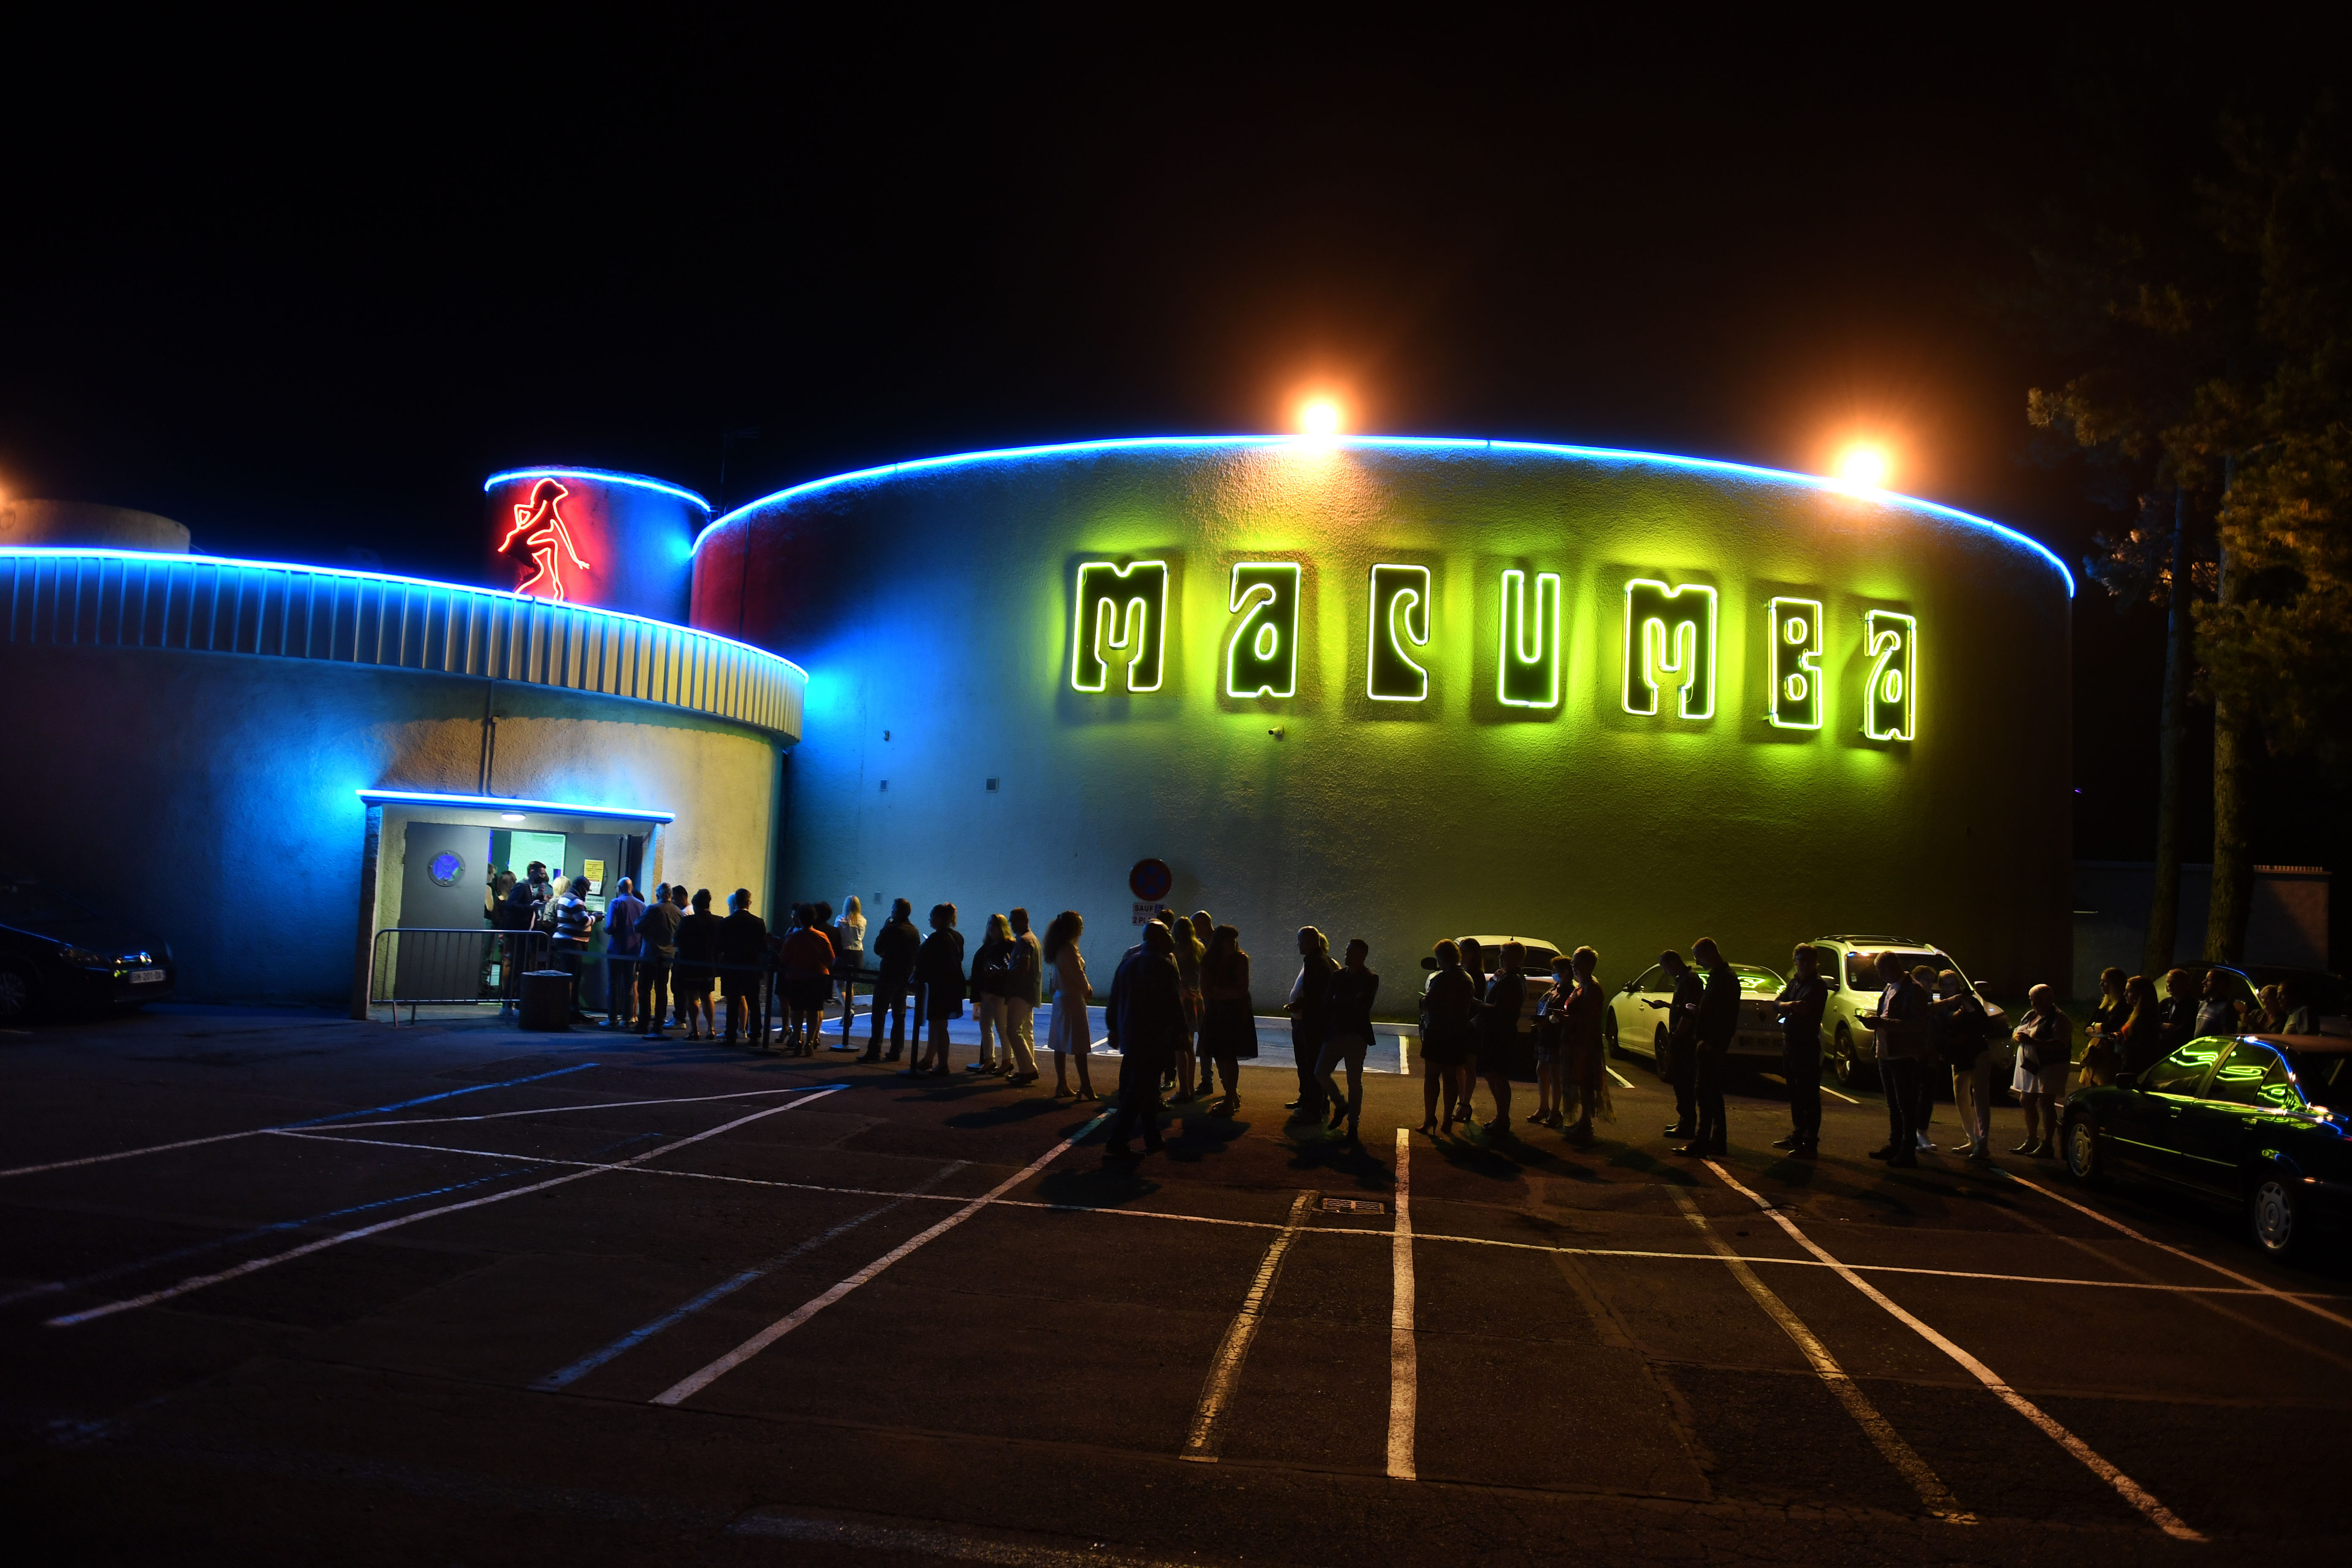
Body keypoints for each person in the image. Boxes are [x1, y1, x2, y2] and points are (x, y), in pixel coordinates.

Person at [1103, 920, 1187, 1158]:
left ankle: (1152, 1138)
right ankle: (1117, 1142)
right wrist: (1182, 1033)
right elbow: (1173, 1004)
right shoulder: (1164, 965)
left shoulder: (1128, 963)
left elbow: (1114, 998)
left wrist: (1113, 1029)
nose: (1172, 940)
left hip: (1132, 1035)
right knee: (1140, 1090)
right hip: (1154, 1037)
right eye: (1168, 936)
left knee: (1147, 1088)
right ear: (1159, 939)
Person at [1861, 951, 1928, 1168]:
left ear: (1892, 968)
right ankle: (1896, 1144)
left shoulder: (1913, 990)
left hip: (1903, 1055)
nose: (1880, 975)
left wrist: (1883, 1022)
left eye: (1882, 971)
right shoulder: (1891, 987)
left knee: (1905, 1104)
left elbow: (1916, 1025)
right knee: (1894, 1103)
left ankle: (1907, 1150)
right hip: (1887, 1052)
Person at [1680, 937, 1737, 1157]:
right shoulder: (1722, 977)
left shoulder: (1724, 979)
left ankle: (1703, 1140)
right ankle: (1716, 1140)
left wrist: (1710, 1041)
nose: (1698, 962)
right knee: (1712, 1093)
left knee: (1705, 1092)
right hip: (1712, 1042)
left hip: (1712, 1043)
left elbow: (1724, 1015)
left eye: (1699, 958)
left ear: (1708, 954)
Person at [1318, 938, 1379, 1143]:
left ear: (1361, 956)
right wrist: (1347, 1000)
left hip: (1355, 1035)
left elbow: (1361, 1007)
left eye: (1351, 952)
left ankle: (1354, 1123)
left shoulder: (1370, 978)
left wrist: (1340, 1001)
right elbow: (1330, 1002)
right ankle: (1342, 1105)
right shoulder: (1339, 976)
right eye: (1347, 951)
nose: (1347, 955)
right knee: (1320, 1072)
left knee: (1354, 1081)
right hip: (1337, 1032)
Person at [1933, 969, 1995, 1161]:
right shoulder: (1941, 1003)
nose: (1951, 988)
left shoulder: (1970, 1000)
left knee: (1980, 1097)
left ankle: (1982, 1143)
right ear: (1941, 986)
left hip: (1978, 1052)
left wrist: (1965, 1005)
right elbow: (1945, 1021)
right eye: (1946, 984)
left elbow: (1983, 1022)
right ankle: (1972, 1139)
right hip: (1959, 1056)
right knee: (1961, 1097)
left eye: (1953, 983)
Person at [1773, 944, 1828, 1154]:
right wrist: (1789, 1006)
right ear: (1795, 961)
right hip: (1791, 1042)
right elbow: (1777, 1003)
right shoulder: (1795, 982)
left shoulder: (1817, 986)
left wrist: (1786, 1007)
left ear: (1815, 963)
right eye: (1801, 960)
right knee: (1795, 1091)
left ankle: (1810, 1141)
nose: (1804, 964)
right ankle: (1799, 1134)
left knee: (1808, 1093)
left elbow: (1803, 1009)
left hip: (1806, 1044)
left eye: (1809, 961)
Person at [1199, 923, 1258, 1116]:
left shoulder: (1240, 959)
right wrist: (1224, 994)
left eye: (1234, 940)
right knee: (1219, 1054)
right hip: (1219, 1012)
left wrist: (1218, 993)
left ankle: (1230, 1098)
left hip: (1234, 1014)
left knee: (1229, 1056)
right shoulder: (1209, 960)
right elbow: (1206, 990)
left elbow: (1242, 990)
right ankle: (1230, 1094)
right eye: (1228, 939)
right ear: (1220, 941)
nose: (1233, 943)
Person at [1419, 940, 1477, 1135]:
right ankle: (1447, 1121)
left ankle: (1430, 1118)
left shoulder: (1441, 979)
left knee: (1432, 1076)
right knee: (1451, 1078)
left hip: (1437, 1033)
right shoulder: (1467, 979)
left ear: (1442, 958)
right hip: (1458, 1034)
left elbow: (1429, 1002)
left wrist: (1423, 1000)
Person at [2010, 984, 2072, 1155]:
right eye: (2032, 1001)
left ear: (2049, 1000)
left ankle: (2047, 1143)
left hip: (2051, 1066)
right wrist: (2017, 1036)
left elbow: (2061, 1044)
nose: (2034, 1005)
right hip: (2031, 1066)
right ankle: (2031, 1139)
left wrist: (2034, 1043)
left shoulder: (2059, 1019)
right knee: (2026, 1100)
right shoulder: (2032, 1015)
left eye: (2037, 1002)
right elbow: (2019, 1029)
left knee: (2046, 1102)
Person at [1285, 926, 1338, 1122]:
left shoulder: (1314, 961)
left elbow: (1314, 994)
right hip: (1314, 1022)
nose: (1298, 945)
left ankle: (1312, 1110)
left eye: (1300, 942)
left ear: (1307, 942)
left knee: (1311, 1066)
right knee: (1311, 1065)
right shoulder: (1322, 961)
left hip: (1312, 1023)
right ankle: (1313, 1104)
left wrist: (1298, 1005)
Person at [1476, 940, 1528, 1136]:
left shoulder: (1512, 981)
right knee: (1492, 1073)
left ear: (1515, 958)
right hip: (1496, 1032)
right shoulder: (1509, 978)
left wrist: (1477, 1004)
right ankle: (1501, 1116)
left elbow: (1500, 1009)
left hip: (1501, 1034)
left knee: (1498, 1075)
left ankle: (1503, 1117)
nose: (1500, 958)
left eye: (1504, 955)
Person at [1044, 910, 1097, 1099]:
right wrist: (1088, 989)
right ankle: (1085, 1085)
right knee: (1080, 1044)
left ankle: (1063, 1084)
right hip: (1072, 1000)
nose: (1083, 928)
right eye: (1080, 924)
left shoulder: (1060, 948)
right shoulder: (1068, 949)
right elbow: (1078, 974)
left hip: (1062, 998)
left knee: (1061, 1042)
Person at [861, 898, 922, 1062]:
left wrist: (884, 929)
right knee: (899, 1015)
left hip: (888, 975)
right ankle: (896, 1050)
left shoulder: (892, 929)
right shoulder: (914, 931)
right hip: (904, 977)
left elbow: (877, 948)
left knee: (879, 1014)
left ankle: (874, 1050)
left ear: (895, 911)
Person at [1559, 947, 1607, 1144]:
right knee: (1579, 1082)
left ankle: (1586, 1123)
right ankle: (1583, 1122)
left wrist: (1565, 1018)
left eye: (1577, 963)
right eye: (1573, 963)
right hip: (1576, 1041)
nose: (1574, 967)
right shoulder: (1582, 985)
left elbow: (1588, 1018)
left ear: (1589, 965)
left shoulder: (1591, 988)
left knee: (1586, 1082)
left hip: (1585, 1044)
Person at [911, 903, 965, 1075]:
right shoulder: (957, 937)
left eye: (932, 916)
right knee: (937, 1025)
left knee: (939, 1026)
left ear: (940, 919)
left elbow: (922, 961)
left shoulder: (936, 940)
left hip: (938, 989)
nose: (930, 919)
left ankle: (943, 1064)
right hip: (952, 986)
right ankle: (929, 1059)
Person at [776, 904, 836, 1054]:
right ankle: (810, 1041)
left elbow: (783, 959)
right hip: (817, 977)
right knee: (814, 1010)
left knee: (797, 1010)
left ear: (799, 919)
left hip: (796, 977)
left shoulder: (792, 937)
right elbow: (831, 958)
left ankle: (798, 1040)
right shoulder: (822, 936)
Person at [1659, 949, 1701, 1139]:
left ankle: (1687, 1123)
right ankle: (1685, 1121)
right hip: (1682, 1037)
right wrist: (1667, 1006)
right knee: (1680, 1081)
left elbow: (1689, 1011)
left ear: (1672, 963)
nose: (1665, 972)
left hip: (1684, 1040)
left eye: (1664, 967)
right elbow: (1682, 1007)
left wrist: (1677, 1035)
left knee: (1684, 1081)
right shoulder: (1684, 979)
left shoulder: (1689, 980)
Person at [719, 889, 769, 1046]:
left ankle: (731, 1034)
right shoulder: (758, 922)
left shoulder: (726, 922)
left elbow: (720, 946)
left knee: (732, 1002)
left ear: (735, 903)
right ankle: (755, 1035)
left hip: (732, 966)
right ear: (749, 902)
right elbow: (763, 948)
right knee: (754, 1002)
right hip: (752, 967)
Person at [968, 914, 1016, 1074]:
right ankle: (989, 1060)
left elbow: (1012, 968)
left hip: (1000, 991)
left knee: (1002, 1027)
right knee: (985, 1026)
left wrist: (998, 973)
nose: (991, 928)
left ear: (1002, 927)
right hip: (986, 991)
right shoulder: (987, 947)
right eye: (989, 924)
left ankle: (1007, 1060)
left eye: (994, 925)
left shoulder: (1008, 945)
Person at [674, 889, 724, 1040]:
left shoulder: (688, 921)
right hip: (709, 965)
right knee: (707, 996)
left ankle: (695, 1030)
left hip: (690, 964)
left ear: (695, 905)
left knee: (692, 998)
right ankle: (711, 1029)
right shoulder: (718, 921)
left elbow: (676, 941)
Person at [548, 875, 601, 1018]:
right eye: (587, 890)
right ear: (581, 888)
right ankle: (570, 1012)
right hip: (572, 943)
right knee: (573, 978)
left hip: (567, 943)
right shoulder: (575, 900)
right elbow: (583, 921)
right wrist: (596, 917)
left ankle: (571, 1010)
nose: (587, 893)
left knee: (571, 977)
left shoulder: (566, 897)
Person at [1001, 907, 1043, 1086]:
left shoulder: (1025, 941)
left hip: (1021, 992)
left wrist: (1004, 974)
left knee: (1012, 1030)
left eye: (1013, 920)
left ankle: (1029, 1070)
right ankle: (1025, 1069)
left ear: (1023, 920)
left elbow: (1023, 967)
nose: (1011, 924)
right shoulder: (1032, 939)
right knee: (1026, 1032)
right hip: (1030, 993)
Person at [1167, 907, 1205, 1100]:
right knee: (1189, 1046)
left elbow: (1173, 977)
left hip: (1180, 1000)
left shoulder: (1174, 950)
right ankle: (1189, 1086)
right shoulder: (1199, 948)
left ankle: (1184, 1091)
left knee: (1180, 1047)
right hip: (1196, 999)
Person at [1533, 956, 1573, 1129]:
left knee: (1555, 1075)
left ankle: (1556, 1112)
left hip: (1557, 1038)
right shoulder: (1555, 988)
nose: (1553, 974)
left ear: (1565, 972)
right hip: (1546, 1036)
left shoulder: (1568, 991)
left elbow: (1563, 1016)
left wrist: (1548, 1021)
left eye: (1555, 971)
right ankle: (1544, 1108)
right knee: (1542, 1070)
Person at [1906, 964, 1942, 1152]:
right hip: (1916, 1053)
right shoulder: (1914, 998)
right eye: (1927, 980)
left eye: (1931, 980)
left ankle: (1921, 1132)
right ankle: (1914, 1134)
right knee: (1915, 1094)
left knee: (1927, 1094)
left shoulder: (1929, 998)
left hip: (1929, 1054)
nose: (1930, 984)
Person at [637, 882, 679, 1038]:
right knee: (662, 989)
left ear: (659, 895)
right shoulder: (677, 911)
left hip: (650, 954)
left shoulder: (653, 909)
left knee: (645, 989)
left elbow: (638, 927)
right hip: (668, 955)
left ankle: (644, 1023)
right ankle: (659, 1023)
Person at [603, 877, 645, 1031]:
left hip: (616, 949)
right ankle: (627, 1019)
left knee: (613, 985)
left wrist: (605, 930)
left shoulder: (616, 903)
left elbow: (611, 927)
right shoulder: (642, 905)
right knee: (629, 986)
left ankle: (612, 1019)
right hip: (634, 950)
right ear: (631, 887)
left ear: (618, 888)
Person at [1453, 937, 1486, 1124]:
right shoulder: (1462, 972)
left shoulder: (1476, 975)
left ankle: (1465, 1104)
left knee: (1468, 1065)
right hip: (1461, 1023)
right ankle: (1462, 1103)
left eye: (1464, 950)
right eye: (1460, 950)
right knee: (1459, 1065)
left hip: (1471, 1024)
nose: (1461, 953)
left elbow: (1476, 1001)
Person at [832, 895, 868, 1047]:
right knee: (850, 984)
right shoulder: (863, 921)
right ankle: (847, 1012)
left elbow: (836, 936)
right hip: (858, 953)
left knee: (839, 984)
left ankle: (849, 1010)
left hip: (844, 952)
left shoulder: (841, 920)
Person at [2114, 974, 2163, 1078]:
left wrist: (2122, 1042)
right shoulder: (2135, 1014)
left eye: (2130, 991)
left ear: (2141, 994)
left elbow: (2143, 1046)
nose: (2125, 994)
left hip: (2137, 1069)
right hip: (2129, 1064)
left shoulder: (2145, 1017)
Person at [2157, 968, 2199, 1059]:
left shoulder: (2193, 1005)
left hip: (2181, 1052)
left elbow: (2187, 1029)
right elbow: (2152, 1021)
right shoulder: (2165, 1003)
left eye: (2173, 983)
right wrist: (2162, 1026)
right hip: (2161, 1051)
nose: (2169, 986)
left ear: (2184, 984)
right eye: (2168, 983)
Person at [2194, 969, 2243, 1039]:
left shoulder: (2226, 1008)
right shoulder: (2203, 1004)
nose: (2203, 982)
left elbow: (2227, 1038)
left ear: (2221, 984)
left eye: (2209, 980)